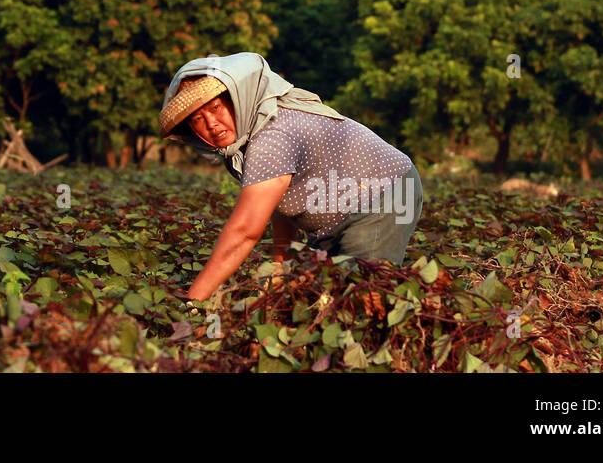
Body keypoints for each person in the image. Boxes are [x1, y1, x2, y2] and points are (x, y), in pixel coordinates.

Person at [158, 52, 423, 302]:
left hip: (384, 195)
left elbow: (244, 233)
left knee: (363, 298)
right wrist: (281, 266)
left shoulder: (271, 137)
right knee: (321, 298)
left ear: (236, 99)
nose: (211, 124)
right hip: (335, 218)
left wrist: (194, 302)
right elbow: (280, 203)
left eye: (216, 107)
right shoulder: (242, 145)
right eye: (197, 120)